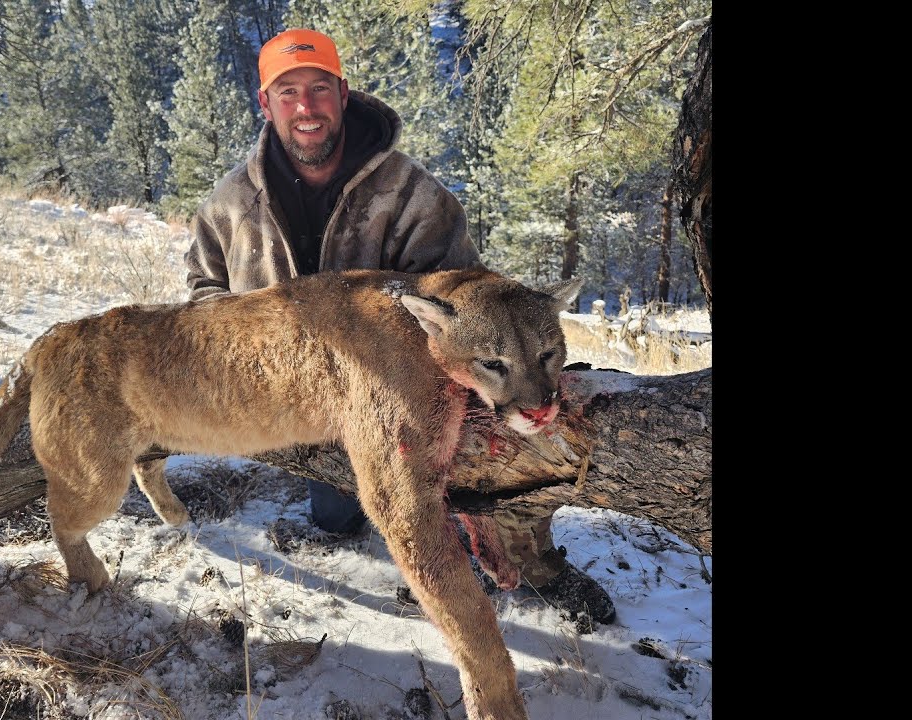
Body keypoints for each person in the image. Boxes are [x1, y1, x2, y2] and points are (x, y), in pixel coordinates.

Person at [183, 28, 615, 624]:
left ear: (342, 93)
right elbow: (205, 295)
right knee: (336, 516)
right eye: (288, 93)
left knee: (487, 448)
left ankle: (530, 560)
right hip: (295, 394)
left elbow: (468, 308)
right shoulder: (229, 204)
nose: (305, 108)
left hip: (402, 383)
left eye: (318, 89)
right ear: (266, 103)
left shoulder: (411, 193)